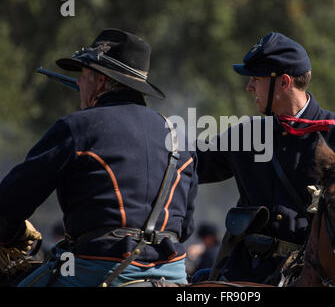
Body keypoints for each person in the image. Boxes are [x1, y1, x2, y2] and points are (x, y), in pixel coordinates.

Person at [196, 32, 335, 284]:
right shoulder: (246, 133)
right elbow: (193, 166)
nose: (249, 87)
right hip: (244, 271)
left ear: (284, 82)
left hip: (314, 273)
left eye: (256, 79)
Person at [0, 29, 198, 287]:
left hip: (96, 272)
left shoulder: (78, 126)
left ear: (101, 82)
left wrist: (13, 236)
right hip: (172, 277)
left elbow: (9, 203)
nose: (79, 84)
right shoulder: (178, 135)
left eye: (83, 75)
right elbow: (185, 228)